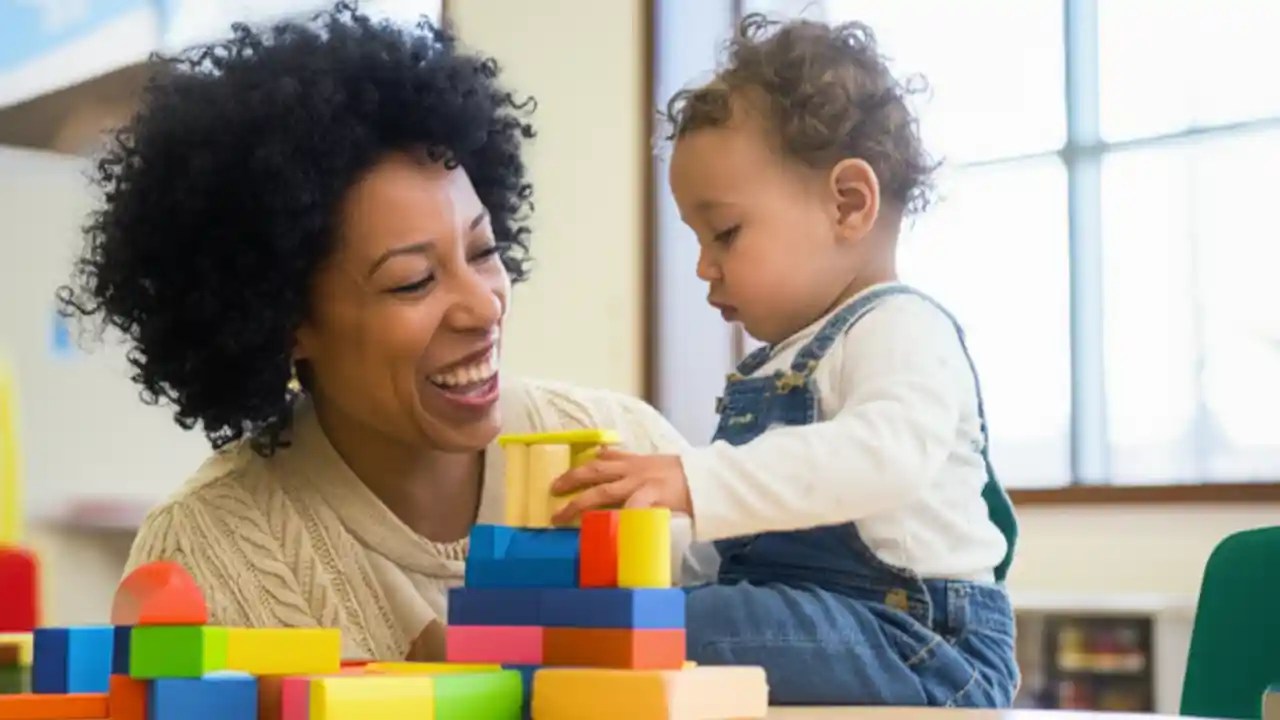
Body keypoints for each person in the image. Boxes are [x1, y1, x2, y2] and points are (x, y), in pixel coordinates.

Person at [56, 3, 691, 663]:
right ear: (288, 321)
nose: (483, 307)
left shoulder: (632, 456)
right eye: (413, 281)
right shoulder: (207, 559)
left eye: (482, 252)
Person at [551, 14, 1020, 706]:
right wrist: (653, 555)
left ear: (848, 204)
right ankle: (544, 631)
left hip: (925, 644)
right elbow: (741, 543)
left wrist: (690, 479)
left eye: (726, 233)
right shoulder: (773, 368)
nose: (704, 268)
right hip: (819, 617)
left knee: (697, 627)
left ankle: (525, 646)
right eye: (696, 240)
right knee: (693, 609)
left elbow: (883, 457)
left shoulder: (900, 326)